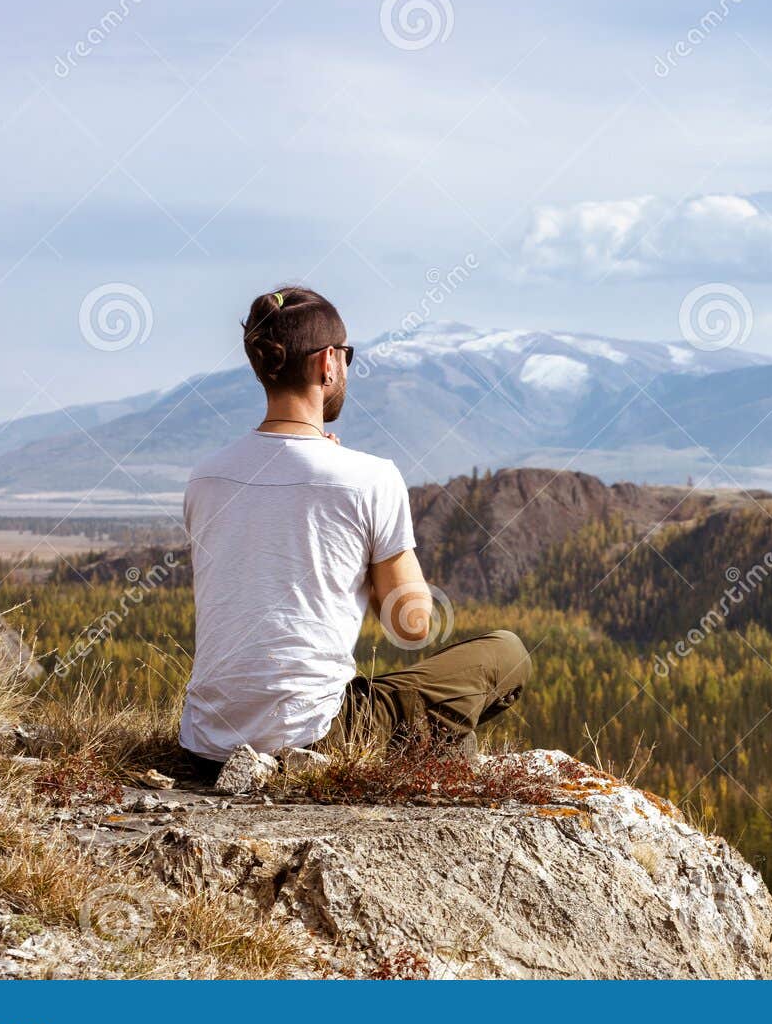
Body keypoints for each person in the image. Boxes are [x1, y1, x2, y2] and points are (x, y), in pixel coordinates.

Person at [177, 286, 530, 775]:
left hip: (203, 742)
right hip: (317, 733)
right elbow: (411, 625)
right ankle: (436, 757)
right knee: (508, 653)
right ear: (327, 363)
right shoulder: (369, 477)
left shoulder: (206, 477)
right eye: (347, 357)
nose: (345, 368)